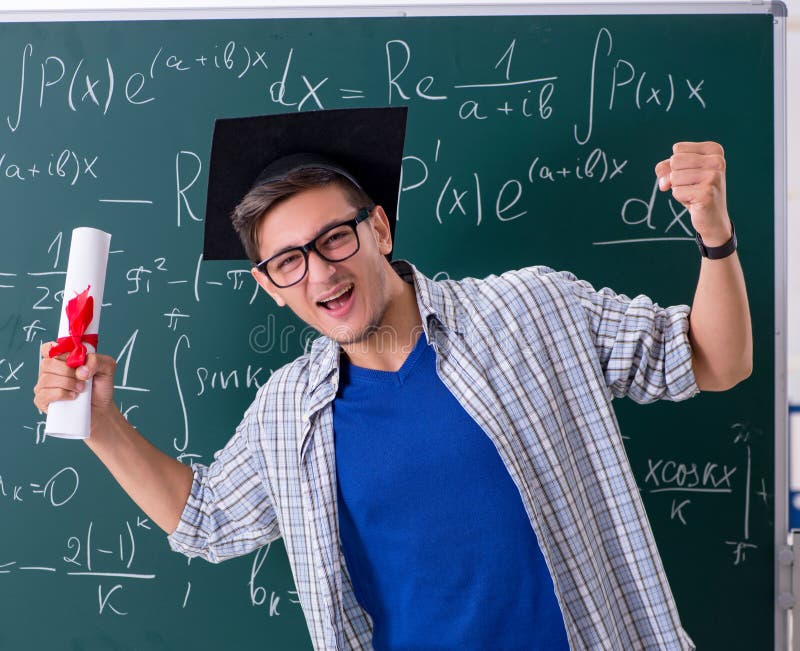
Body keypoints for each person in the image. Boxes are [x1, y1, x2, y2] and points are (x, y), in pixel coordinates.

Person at [34, 107, 751, 651]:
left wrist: (714, 233)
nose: (320, 272)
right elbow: (207, 520)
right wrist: (102, 423)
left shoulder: (530, 309)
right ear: (270, 286)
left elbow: (716, 361)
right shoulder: (289, 410)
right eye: (289, 262)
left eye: (334, 238)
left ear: (379, 226)